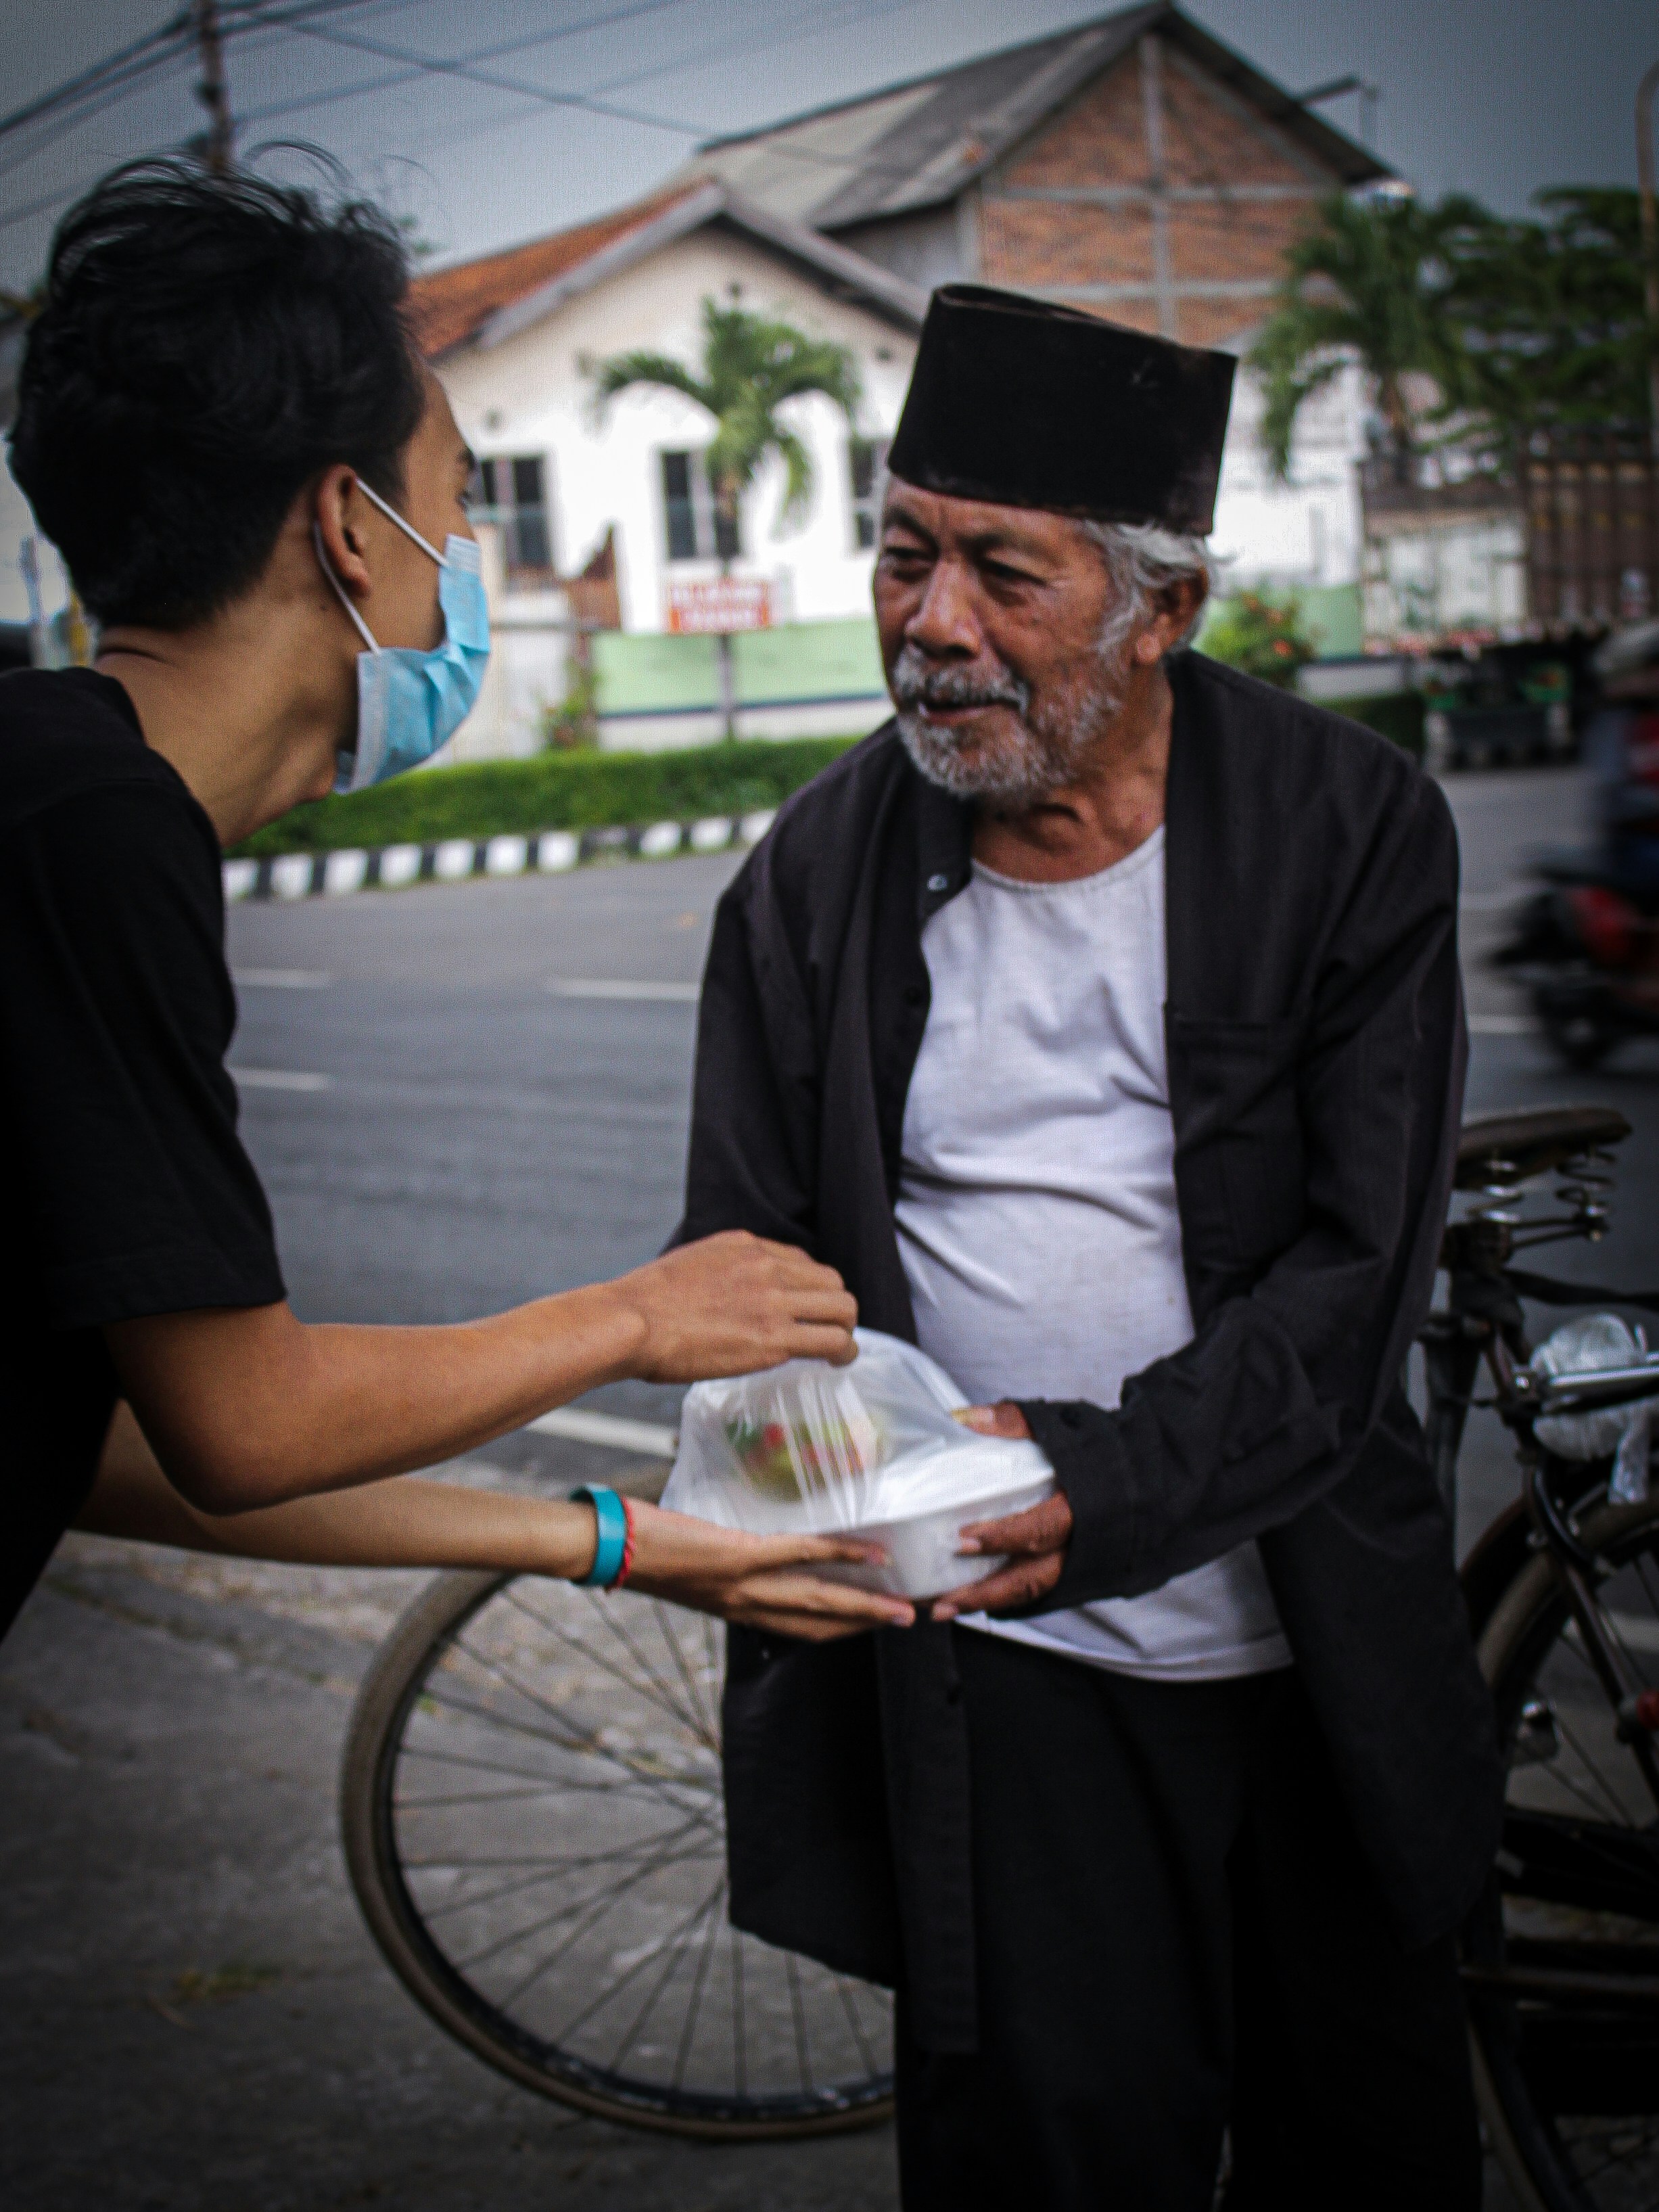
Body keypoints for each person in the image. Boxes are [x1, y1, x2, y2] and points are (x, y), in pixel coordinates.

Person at [676, 285, 1503, 2211]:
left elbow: (1351, 1263)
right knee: (1052, 2158)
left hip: (1315, 1648)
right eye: (900, 554)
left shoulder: (1344, 826)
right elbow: (742, 1274)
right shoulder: (807, 880)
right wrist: (808, 1482)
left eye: (1000, 572)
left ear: (1161, 609)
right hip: (999, 1674)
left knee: (1364, 2145)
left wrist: (1104, 1472)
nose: (929, 621)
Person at [1, 161, 914, 1650]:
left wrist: (604, 1535)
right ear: (352, 530)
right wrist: (635, 1319)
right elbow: (250, 1425)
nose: (470, 561)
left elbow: (120, 1441)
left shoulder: (59, 787)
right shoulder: (90, 838)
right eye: (461, 502)